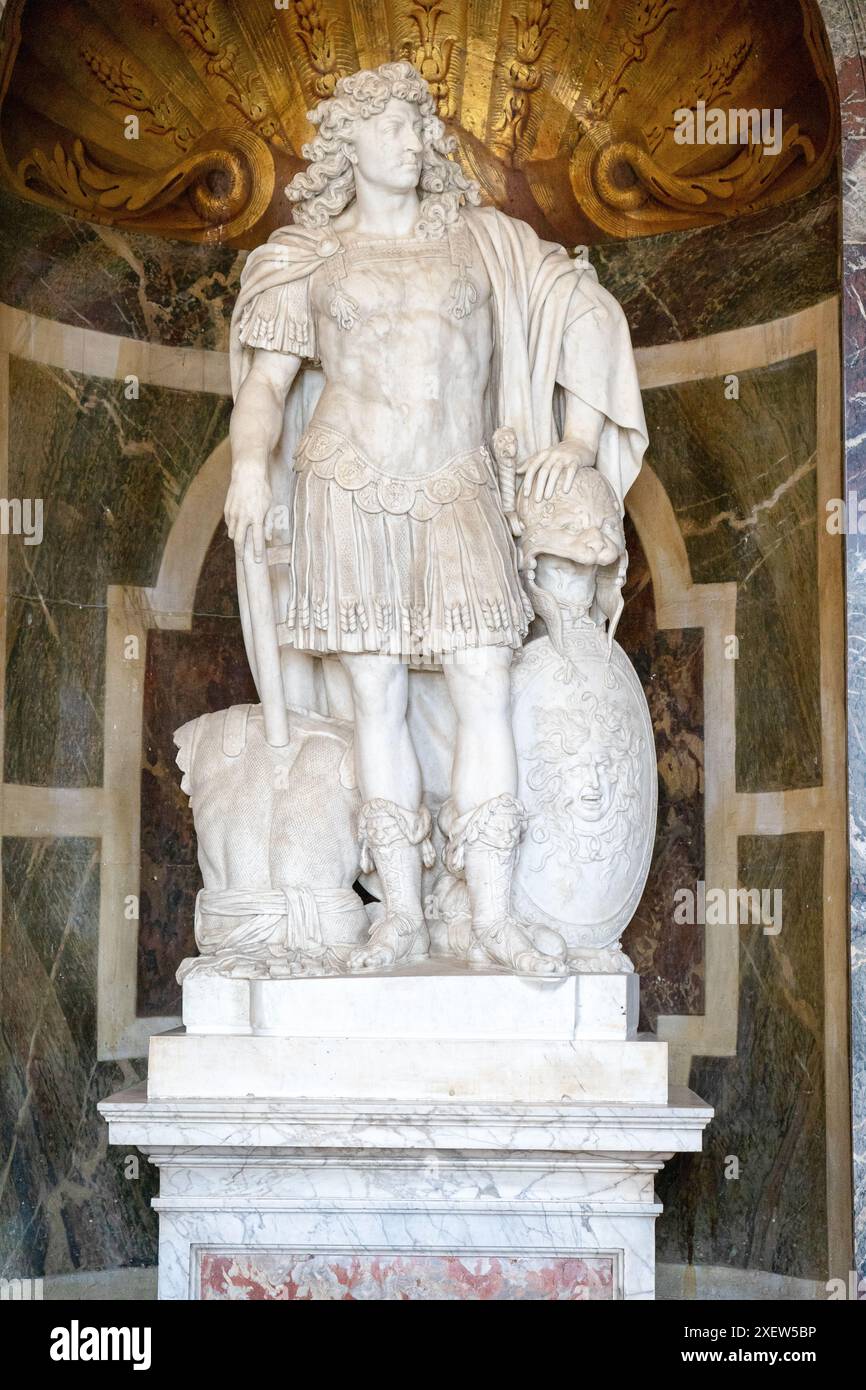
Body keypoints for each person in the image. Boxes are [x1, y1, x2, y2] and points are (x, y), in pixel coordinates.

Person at [226, 62, 647, 975]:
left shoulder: (481, 244)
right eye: (394, 127)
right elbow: (264, 385)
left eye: (422, 127)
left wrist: (575, 444)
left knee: (482, 679)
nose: (416, 141)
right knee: (374, 697)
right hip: (347, 484)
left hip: (458, 486)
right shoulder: (307, 259)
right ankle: (402, 916)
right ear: (350, 144)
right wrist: (252, 470)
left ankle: (493, 915)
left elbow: (579, 306)